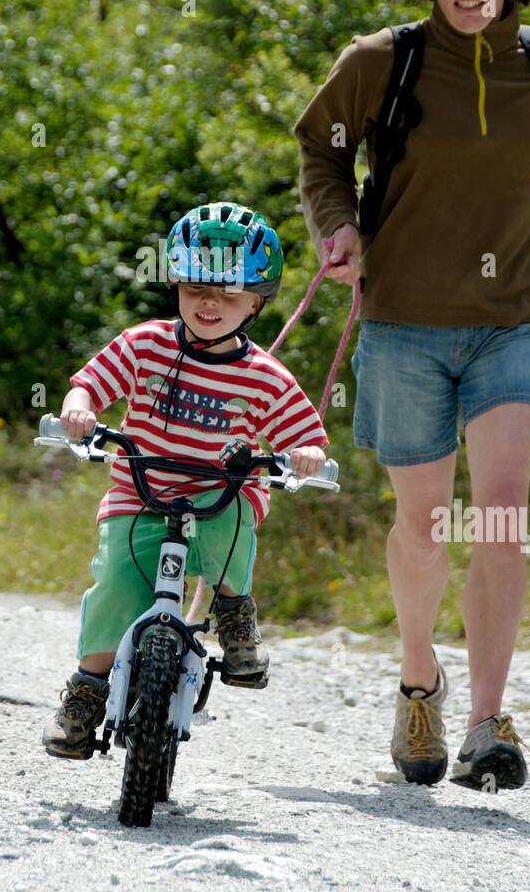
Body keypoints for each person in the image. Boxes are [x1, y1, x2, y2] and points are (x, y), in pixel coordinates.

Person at [294, 0, 530, 790]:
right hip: (401, 322)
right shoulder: (379, 61)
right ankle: (418, 680)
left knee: (501, 514)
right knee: (424, 525)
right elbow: (321, 146)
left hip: (514, 319)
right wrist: (336, 225)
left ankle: (487, 721)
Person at [42, 201, 328, 758]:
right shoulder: (147, 344)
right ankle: (85, 694)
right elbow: (92, 384)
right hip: (139, 494)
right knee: (116, 586)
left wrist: (306, 455)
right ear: (175, 284)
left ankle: (235, 617)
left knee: (236, 519)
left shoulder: (265, 376)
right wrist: (79, 408)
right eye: (197, 287)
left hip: (219, 495)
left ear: (256, 302)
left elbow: (304, 435)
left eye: (228, 292)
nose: (210, 302)